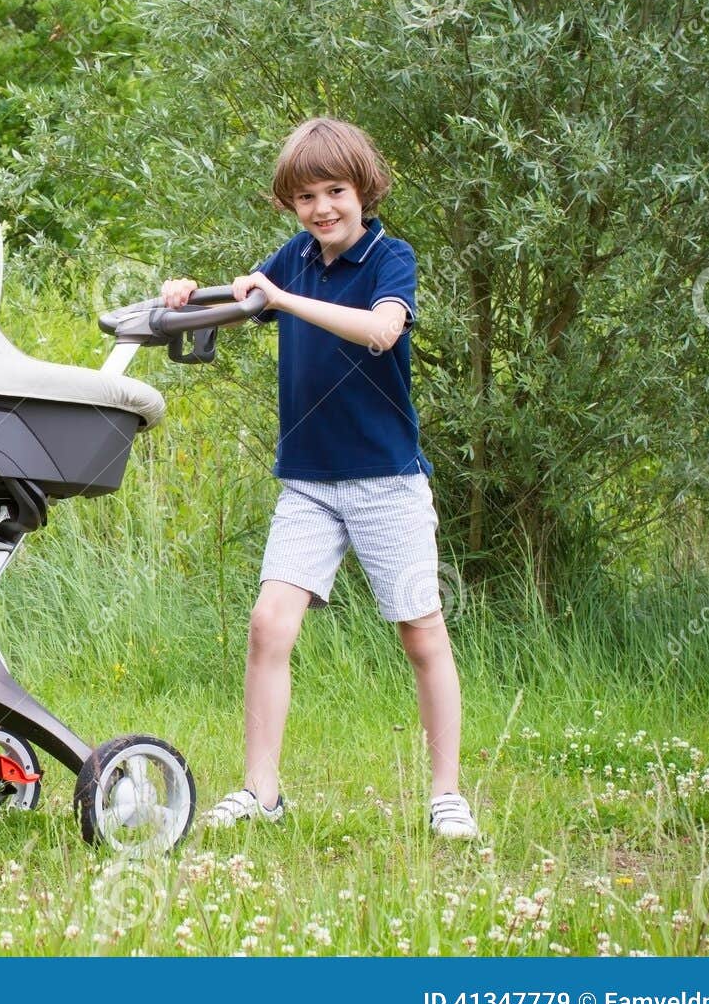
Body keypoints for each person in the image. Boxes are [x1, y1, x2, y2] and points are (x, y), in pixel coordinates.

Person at [161, 116, 477, 839]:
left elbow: (381, 331)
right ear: (291, 204)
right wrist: (189, 296)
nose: (321, 208)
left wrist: (277, 298)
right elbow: (243, 299)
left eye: (334, 191)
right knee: (268, 625)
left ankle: (446, 796)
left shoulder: (390, 257)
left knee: (421, 632)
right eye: (305, 197)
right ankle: (262, 792)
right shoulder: (294, 257)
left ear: (363, 189)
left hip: (386, 481)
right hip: (307, 483)